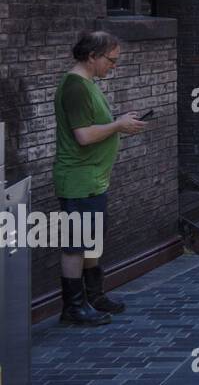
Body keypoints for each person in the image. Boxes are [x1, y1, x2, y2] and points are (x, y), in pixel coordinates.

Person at [53, 31, 147, 325]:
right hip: (79, 180)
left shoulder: (87, 84)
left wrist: (120, 123)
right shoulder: (76, 87)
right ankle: (73, 307)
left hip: (93, 179)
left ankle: (93, 297)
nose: (114, 66)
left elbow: (95, 126)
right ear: (92, 56)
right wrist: (118, 125)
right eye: (111, 60)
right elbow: (83, 135)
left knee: (90, 241)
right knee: (76, 244)